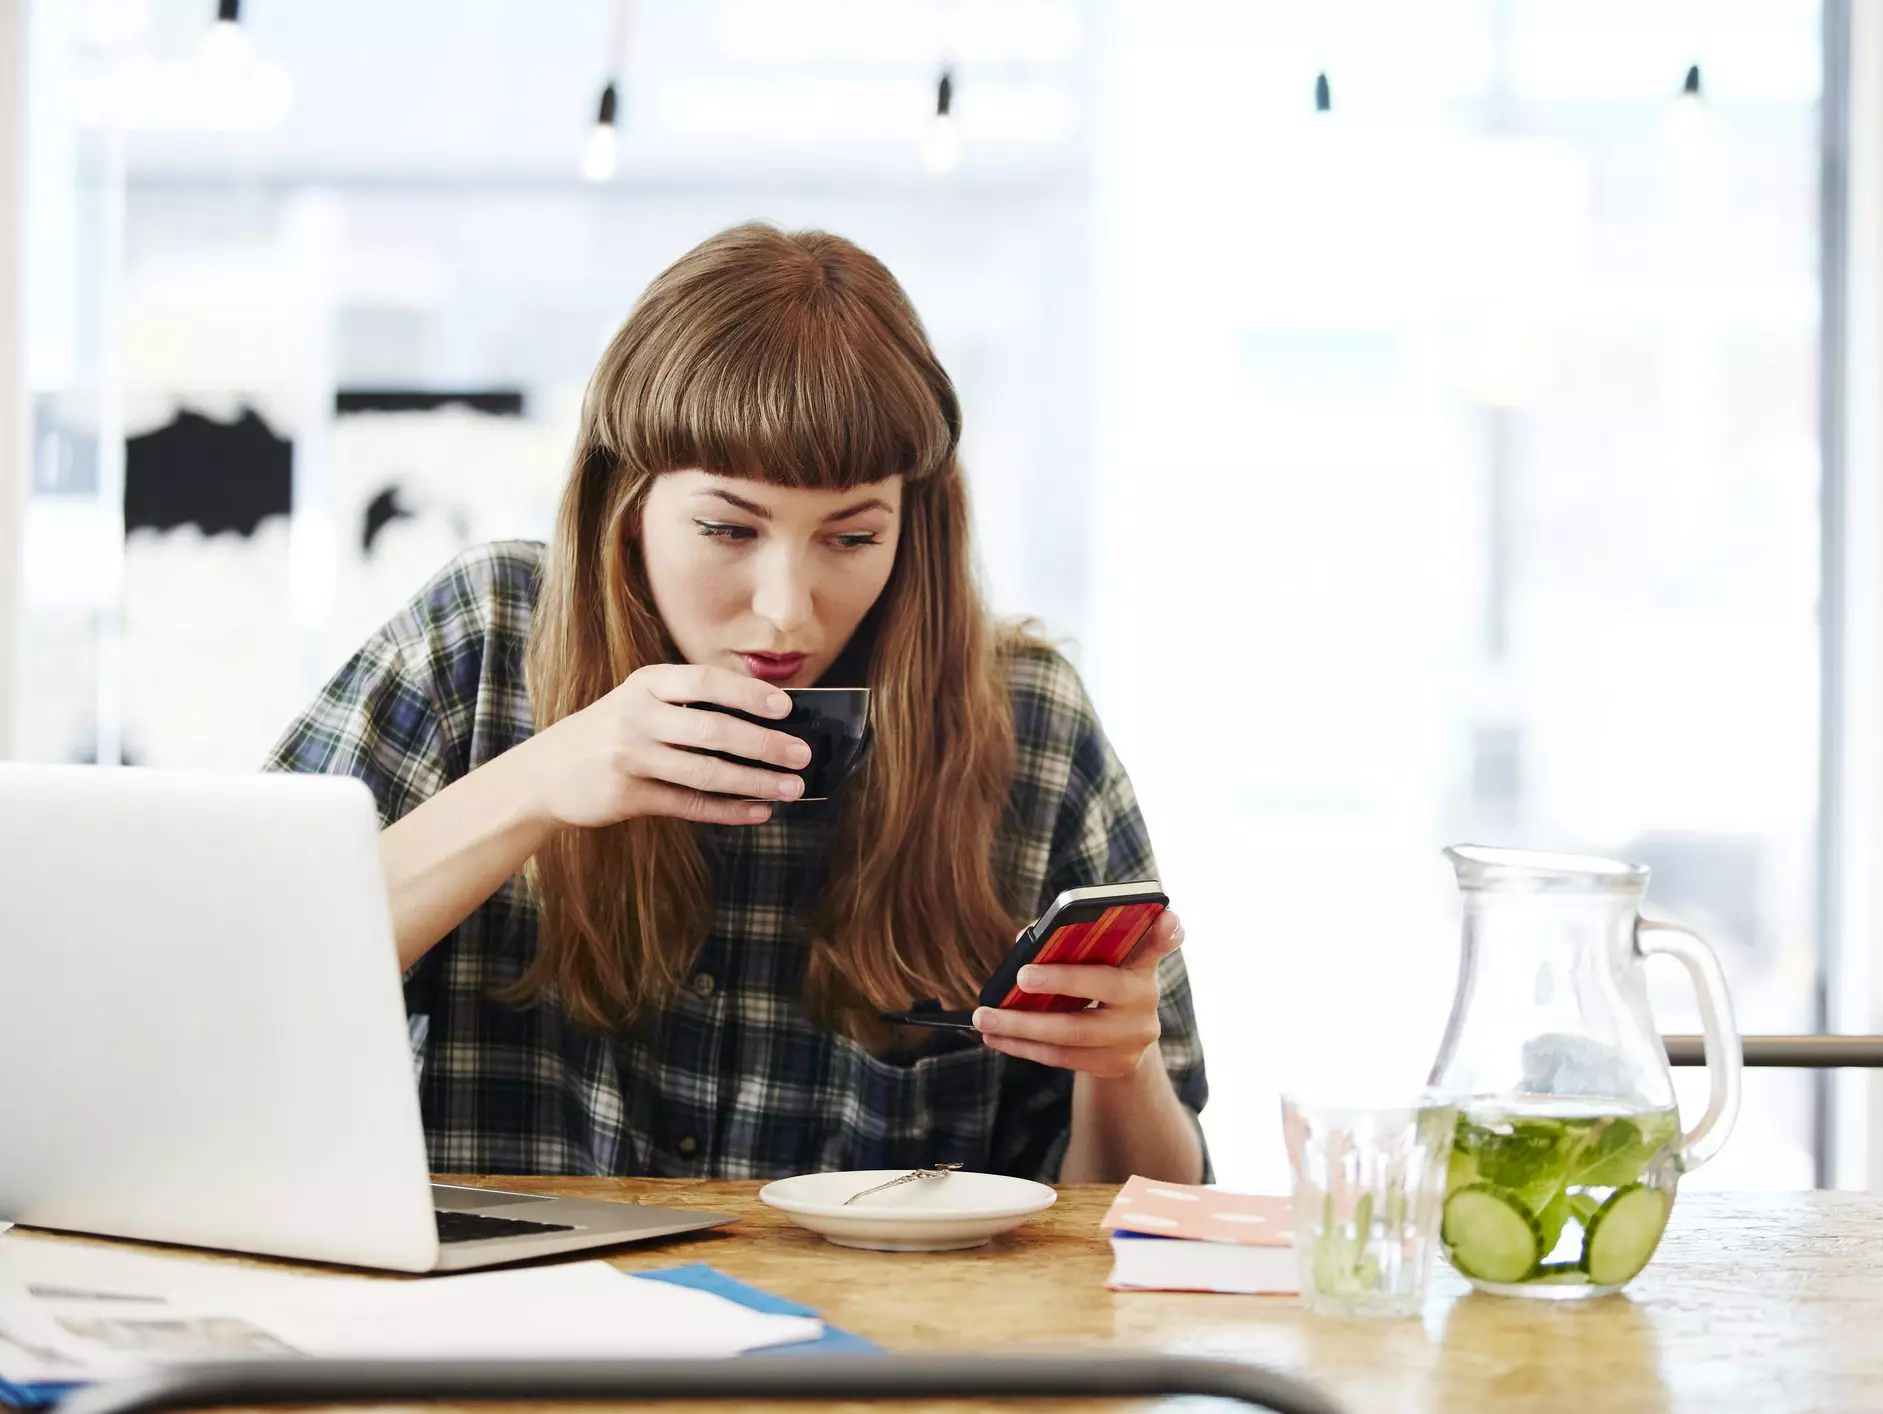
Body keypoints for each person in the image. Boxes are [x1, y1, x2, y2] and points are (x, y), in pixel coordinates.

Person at [269, 223, 1208, 1184]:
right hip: (504, 1328)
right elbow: (242, 985)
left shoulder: (1026, 721)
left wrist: (1121, 1069)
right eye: (726, 527)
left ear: (910, 527)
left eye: (850, 539)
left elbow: (1154, 1219)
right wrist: (538, 783)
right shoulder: (483, 639)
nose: (785, 610)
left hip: (885, 1333)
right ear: (625, 501)